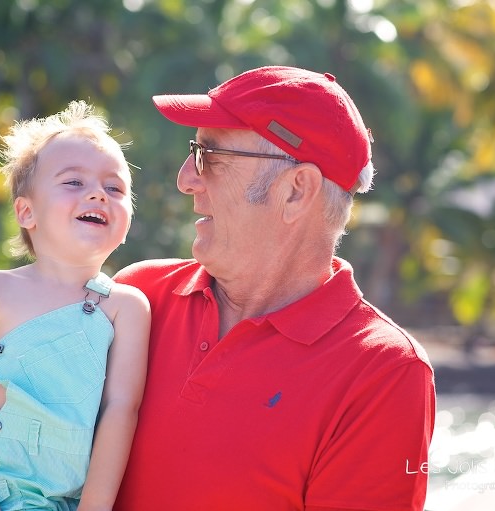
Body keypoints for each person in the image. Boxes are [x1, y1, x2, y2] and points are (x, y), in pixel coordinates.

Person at [112, 66, 435, 511]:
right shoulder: (135, 296)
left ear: (296, 191)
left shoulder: (384, 373)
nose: (185, 178)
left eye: (209, 154)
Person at [0, 100, 150, 511]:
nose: (98, 193)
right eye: (73, 183)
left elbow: (121, 411)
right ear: (27, 212)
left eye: (114, 188)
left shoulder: (126, 307)